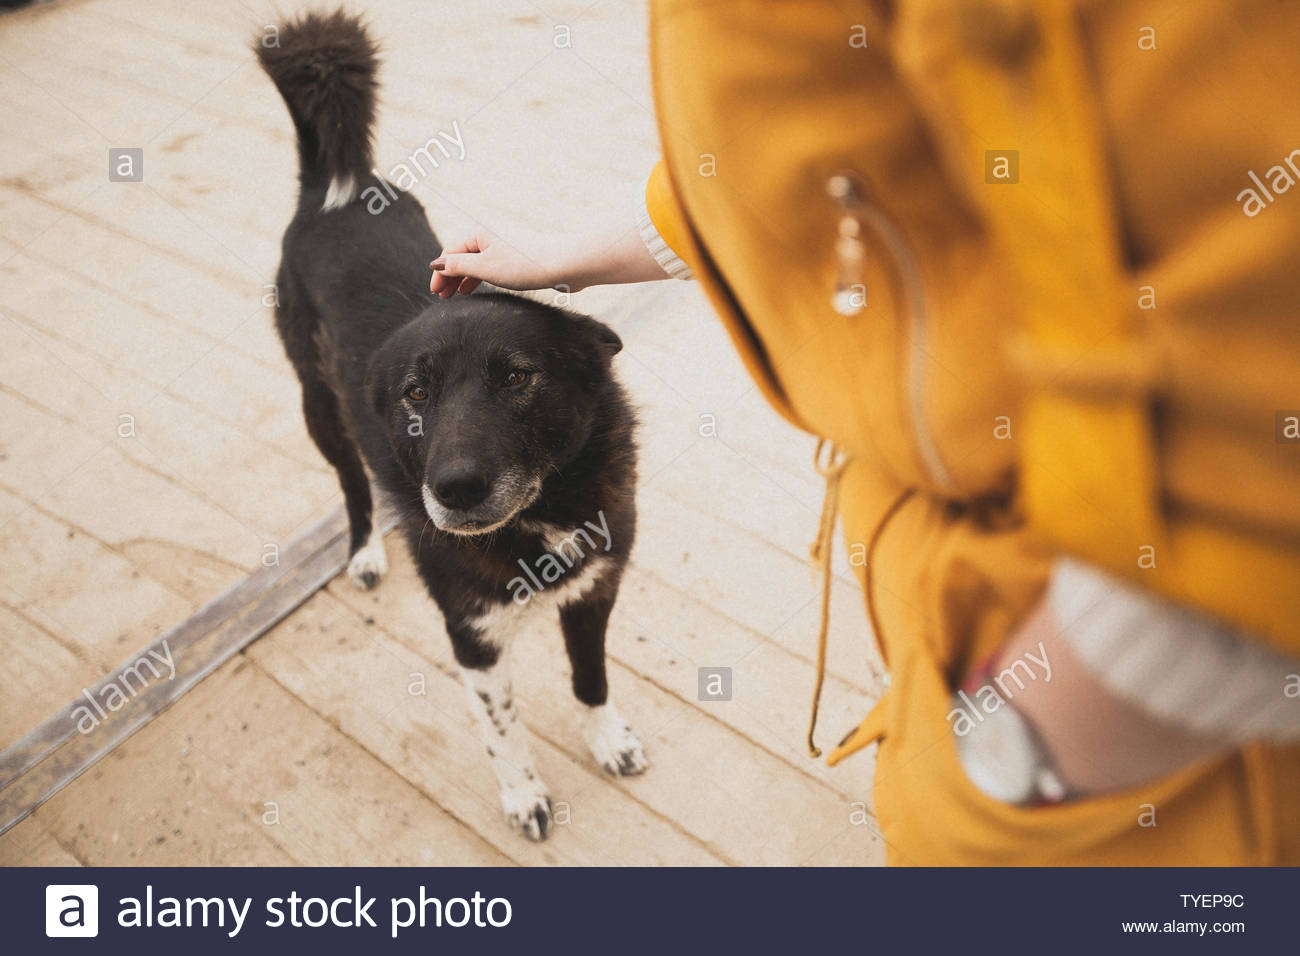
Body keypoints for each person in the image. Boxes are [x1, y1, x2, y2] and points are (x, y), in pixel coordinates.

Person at [429, 0, 1300, 864]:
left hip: (1158, 763)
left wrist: (1016, 767)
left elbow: (1259, 372)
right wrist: (562, 255)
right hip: (969, 618)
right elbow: (786, 148)